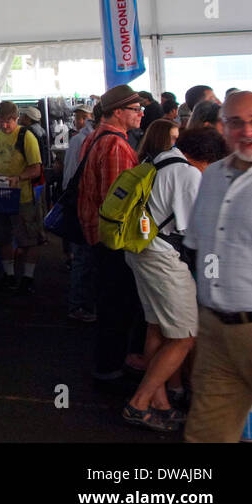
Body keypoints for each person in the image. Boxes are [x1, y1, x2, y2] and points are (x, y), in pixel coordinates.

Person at [183, 91, 252, 443]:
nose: (247, 131)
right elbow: (207, 250)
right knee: (206, 435)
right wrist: (214, 293)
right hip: (217, 333)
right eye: (236, 122)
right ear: (222, 129)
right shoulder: (212, 176)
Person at [121, 120, 202, 433]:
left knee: (157, 327)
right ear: (203, 159)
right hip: (163, 258)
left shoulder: (154, 162)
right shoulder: (187, 173)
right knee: (184, 336)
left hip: (141, 251)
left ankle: (160, 402)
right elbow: (190, 229)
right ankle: (139, 403)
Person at [77, 84, 145, 383]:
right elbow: (116, 203)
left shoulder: (95, 137)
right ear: (118, 112)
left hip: (96, 234)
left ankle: (108, 365)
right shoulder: (116, 145)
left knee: (109, 303)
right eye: (135, 109)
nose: (140, 114)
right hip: (112, 240)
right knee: (117, 306)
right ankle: (110, 369)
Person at [0, 101, 45, 293]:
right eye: (1, 121)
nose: (5, 125)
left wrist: (18, 178)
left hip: (23, 198)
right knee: (2, 237)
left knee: (29, 239)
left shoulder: (26, 136)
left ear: (16, 119)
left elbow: (36, 168)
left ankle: (28, 278)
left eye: (9, 122)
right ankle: (9, 275)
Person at [63, 106, 97, 322]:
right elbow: (70, 175)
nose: (77, 121)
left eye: (80, 117)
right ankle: (78, 305)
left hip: (81, 205)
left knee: (84, 259)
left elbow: (68, 176)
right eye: (76, 117)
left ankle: (81, 304)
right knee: (83, 259)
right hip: (82, 206)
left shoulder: (83, 139)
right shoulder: (81, 140)